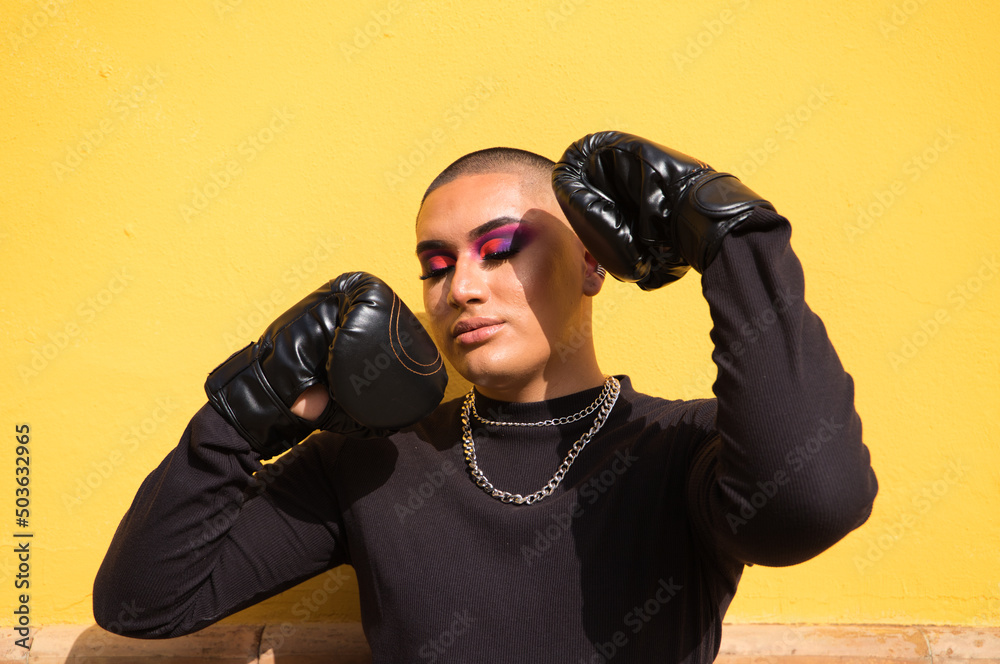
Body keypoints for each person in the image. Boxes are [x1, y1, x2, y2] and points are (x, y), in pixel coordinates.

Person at [93, 131, 879, 663]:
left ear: (593, 263)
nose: (460, 288)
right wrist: (245, 409)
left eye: (500, 249)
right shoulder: (371, 465)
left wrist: (734, 239)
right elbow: (143, 603)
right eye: (435, 265)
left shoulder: (685, 449)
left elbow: (812, 502)